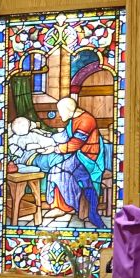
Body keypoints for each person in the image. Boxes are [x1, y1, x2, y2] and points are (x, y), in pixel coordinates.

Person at [48, 95, 108, 228]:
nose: (59, 114)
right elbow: (65, 135)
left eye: (60, 110)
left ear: (68, 110)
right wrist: (48, 138)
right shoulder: (74, 119)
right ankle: (62, 206)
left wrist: (56, 148)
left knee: (65, 172)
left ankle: (90, 212)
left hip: (89, 158)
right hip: (80, 155)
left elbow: (75, 143)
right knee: (57, 170)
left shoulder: (86, 120)